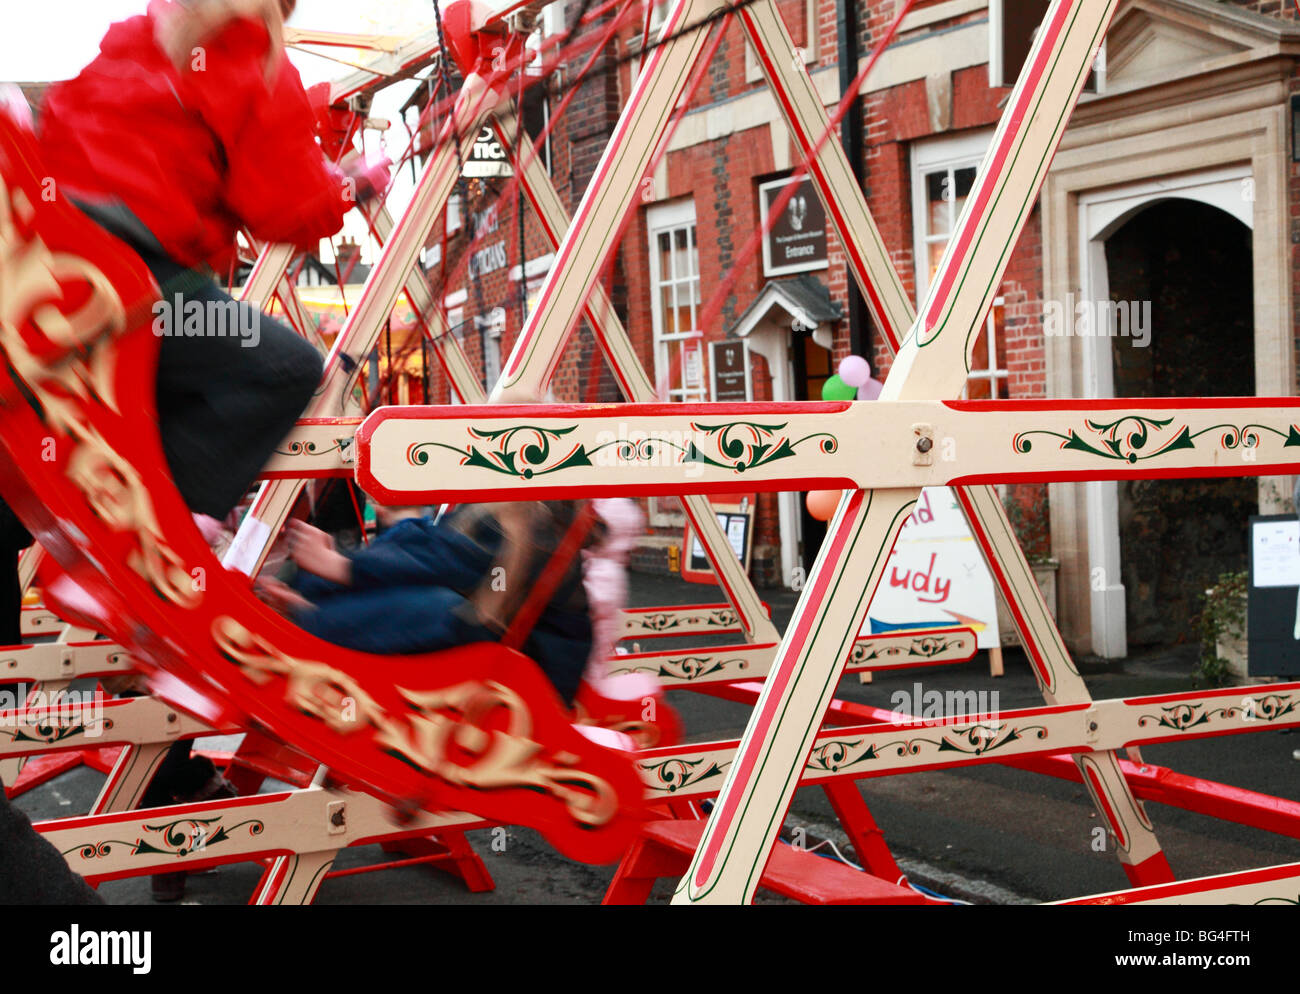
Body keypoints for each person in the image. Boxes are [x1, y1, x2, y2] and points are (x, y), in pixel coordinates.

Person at [35, 0, 386, 519]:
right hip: (144, 282)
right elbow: (284, 211)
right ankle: (158, 518)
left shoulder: (137, 37)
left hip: (50, 264)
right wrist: (352, 186)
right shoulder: (253, 56)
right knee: (284, 368)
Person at [270, 499, 603, 706]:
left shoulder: (533, 523)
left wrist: (343, 567)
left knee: (440, 609)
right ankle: (308, 608)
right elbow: (438, 549)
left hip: (535, 671)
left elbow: (446, 557)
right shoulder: (517, 516)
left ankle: (308, 621)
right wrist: (335, 573)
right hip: (521, 651)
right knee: (430, 595)